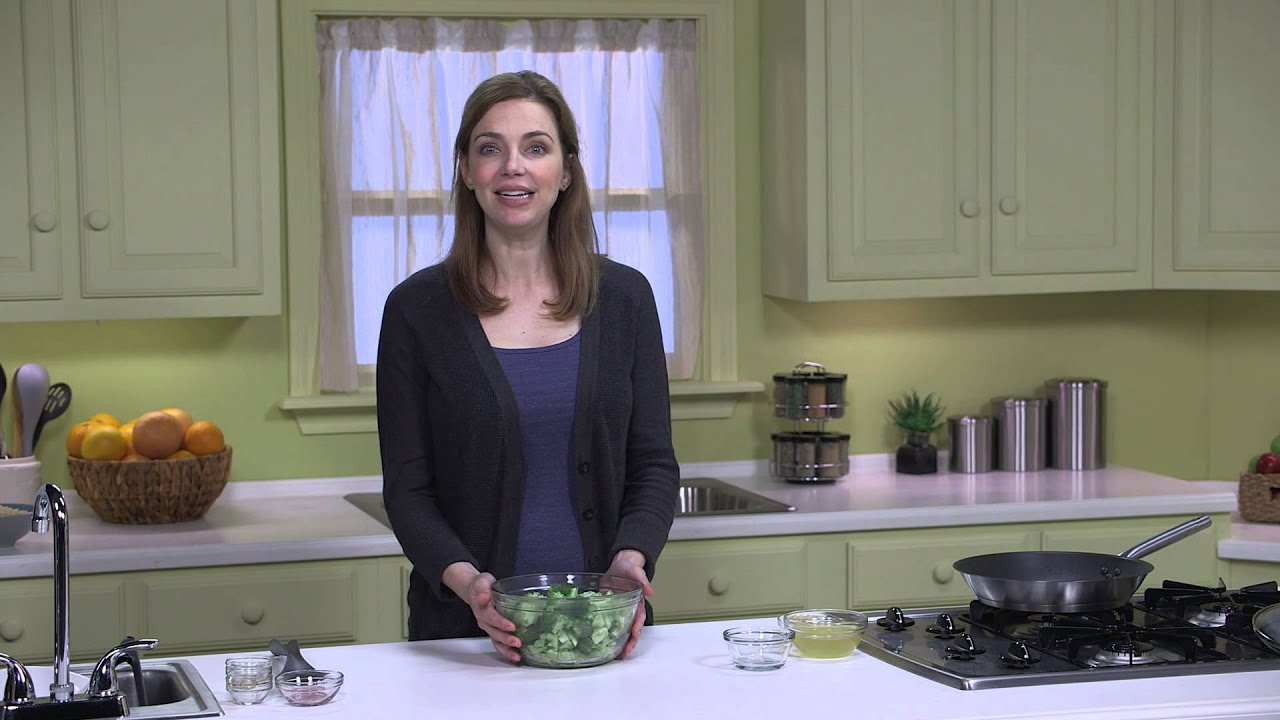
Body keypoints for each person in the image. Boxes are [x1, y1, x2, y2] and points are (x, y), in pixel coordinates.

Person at [376, 70, 680, 663]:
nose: (512, 166)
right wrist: (470, 586)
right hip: (462, 645)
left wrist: (631, 557)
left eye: (535, 148)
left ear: (566, 170)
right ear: (466, 170)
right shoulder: (416, 311)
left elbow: (653, 465)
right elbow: (409, 493)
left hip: (603, 636)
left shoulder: (626, 299)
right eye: (490, 149)